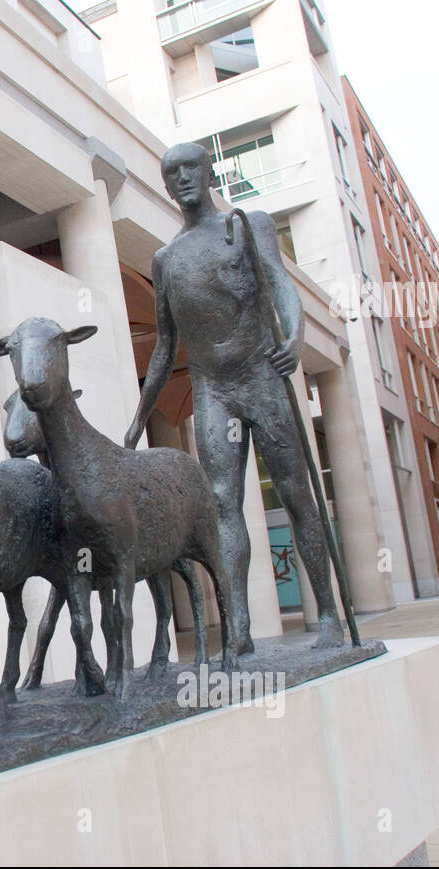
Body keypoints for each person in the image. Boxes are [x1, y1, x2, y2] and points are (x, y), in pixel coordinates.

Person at [124, 141, 342, 649]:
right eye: (171, 172)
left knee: (295, 493)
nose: (182, 179)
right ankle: (239, 628)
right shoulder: (166, 258)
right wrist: (139, 416)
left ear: (208, 171)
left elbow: (279, 284)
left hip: (262, 374)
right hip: (212, 388)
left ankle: (329, 613)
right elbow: (165, 344)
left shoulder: (247, 225)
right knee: (223, 502)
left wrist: (294, 338)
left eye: (191, 169)